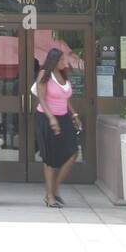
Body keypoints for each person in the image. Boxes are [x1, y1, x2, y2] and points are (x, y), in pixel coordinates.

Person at [34, 46, 82, 207]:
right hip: (47, 118)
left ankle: (54, 188)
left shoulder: (63, 75)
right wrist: (51, 118)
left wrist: (74, 115)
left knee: (73, 153)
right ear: (53, 61)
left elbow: (65, 98)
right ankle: (50, 195)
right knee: (50, 158)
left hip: (64, 118)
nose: (64, 62)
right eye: (61, 60)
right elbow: (41, 98)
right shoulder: (44, 75)